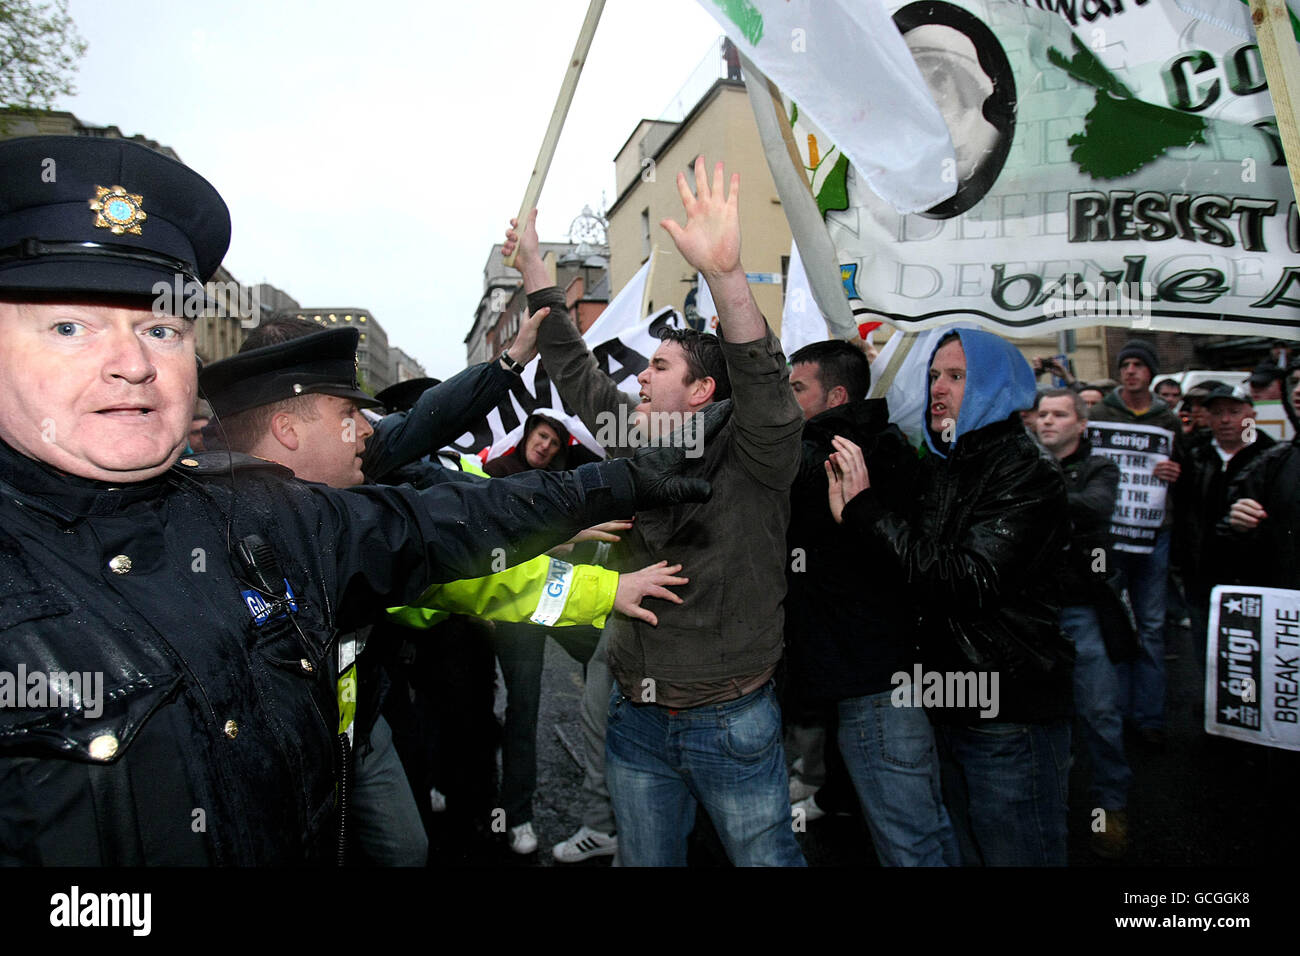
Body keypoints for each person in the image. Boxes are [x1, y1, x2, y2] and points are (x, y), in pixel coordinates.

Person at [0, 134, 707, 865]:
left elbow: (444, 530)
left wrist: (612, 485)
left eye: (159, 328)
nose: (133, 364)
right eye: (68, 328)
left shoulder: (266, 518)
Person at [503, 157, 806, 867]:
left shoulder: (756, 452)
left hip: (729, 717)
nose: (639, 374)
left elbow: (760, 378)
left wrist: (728, 276)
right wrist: (536, 277)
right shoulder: (641, 436)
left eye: (660, 367)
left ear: (702, 390)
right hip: (634, 717)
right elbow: (575, 373)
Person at [825, 328, 1073, 866]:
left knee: (1018, 853)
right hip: (950, 702)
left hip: (1007, 712)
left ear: (995, 386)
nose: (938, 388)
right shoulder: (947, 462)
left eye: (957, 377)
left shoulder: (1026, 471)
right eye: (934, 375)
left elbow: (968, 582)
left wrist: (867, 510)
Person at [784, 339, 956, 865]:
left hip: (873, 681)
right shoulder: (883, 443)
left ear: (834, 396)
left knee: (908, 837)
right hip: (867, 674)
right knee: (922, 826)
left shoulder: (841, 456)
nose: (786, 401)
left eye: (796, 388)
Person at [1034, 388, 1132, 859]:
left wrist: (1037, 491)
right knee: (1047, 717)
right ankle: (1053, 808)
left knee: (1099, 712)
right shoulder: (1028, 465)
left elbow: (1094, 508)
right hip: (1038, 613)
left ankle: (1111, 803)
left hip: (1083, 609)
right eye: (1042, 414)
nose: (1047, 421)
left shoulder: (1100, 469)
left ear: (1082, 424)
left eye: (1059, 414)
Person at [1086, 340, 1182, 749]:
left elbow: (1188, 472)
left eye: (1139, 365)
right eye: (1125, 364)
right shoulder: (1100, 414)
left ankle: (1149, 716)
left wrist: (1176, 471)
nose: (1130, 371)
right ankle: (1119, 712)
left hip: (1154, 533)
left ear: (1151, 372)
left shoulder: (1168, 419)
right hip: (1112, 534)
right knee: (1114, 621)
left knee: (1152, 625)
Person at [1176, 383, 1275, 652]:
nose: (1226, 420)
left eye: (1234, 411)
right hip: (1200, 578)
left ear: (1251, 414)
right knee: (1205, 654)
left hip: (1252, 581)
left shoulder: (1272, 456)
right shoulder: (1194, 454)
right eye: (1218, 412)